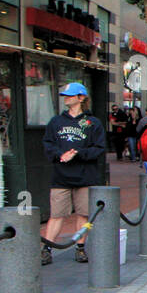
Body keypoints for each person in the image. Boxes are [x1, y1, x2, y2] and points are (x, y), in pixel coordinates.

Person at [42, 82, 106, 265]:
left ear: (81, 98)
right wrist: (59, 155)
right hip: (60, 176)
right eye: (65, 96)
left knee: (83, 214)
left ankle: (80, 247)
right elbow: (48, 143)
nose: (66, 98)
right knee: (56, 214)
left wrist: (79, 154)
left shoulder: (93, 123)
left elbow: (99, 148)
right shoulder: (56, 122)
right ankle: (47, 248)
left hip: (85, 175)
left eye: (70, 95)